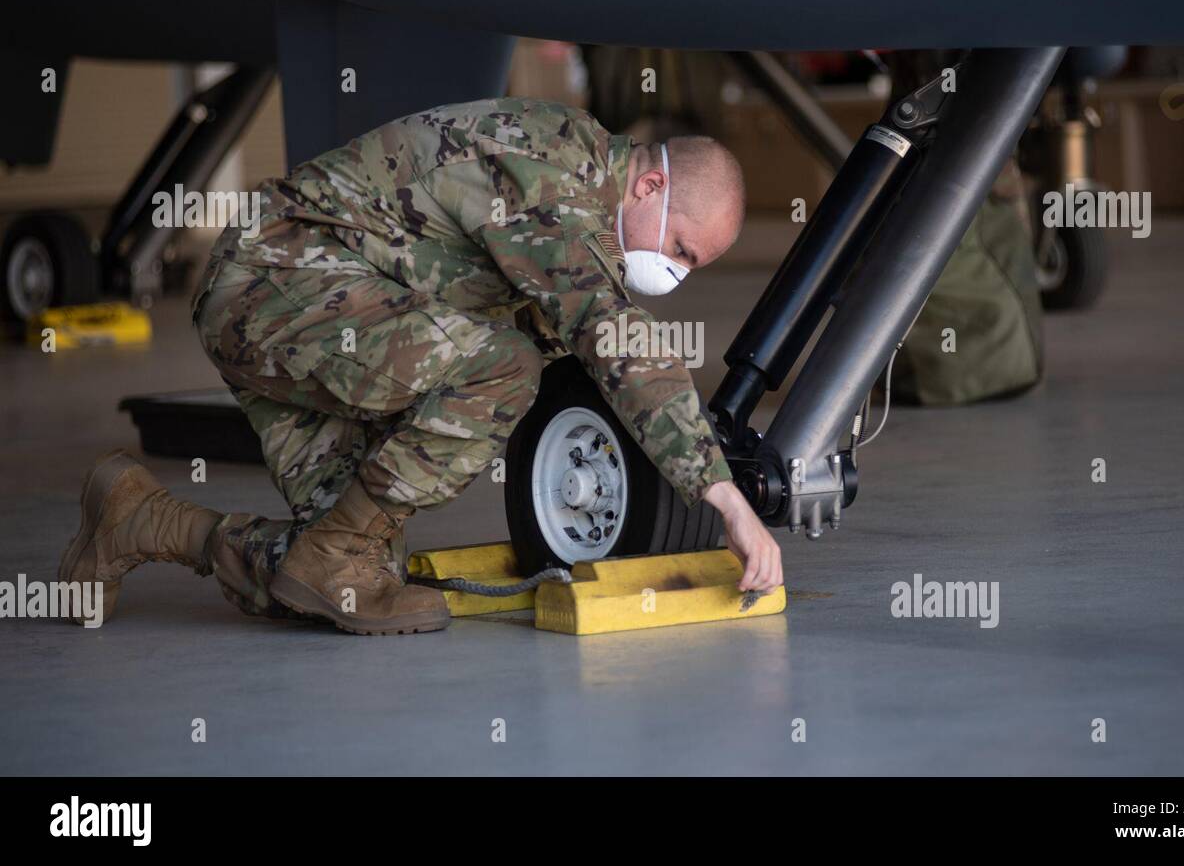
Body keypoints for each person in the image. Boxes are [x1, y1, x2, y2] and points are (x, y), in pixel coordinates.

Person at [61, 98, 784, 635]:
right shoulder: (551, 171)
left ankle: (140, 519)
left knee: (341, 587)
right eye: (683, 251)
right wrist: (722, 496)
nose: (676, 273)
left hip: (328, 316)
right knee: (504, 367)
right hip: (276, 284)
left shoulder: (584, 206)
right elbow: (611, 333)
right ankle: (333, 545)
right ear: (650, 189)